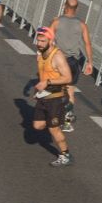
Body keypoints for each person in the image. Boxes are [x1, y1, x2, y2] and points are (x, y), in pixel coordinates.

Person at [28, 27, 74, 166]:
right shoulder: (40, 53)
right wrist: (38, 90)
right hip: (44, 96)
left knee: (54, 129)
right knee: (37, 125)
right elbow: (43, 75)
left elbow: (68, 78)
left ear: (51, 41)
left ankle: (66, 155)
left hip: (56, 98)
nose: (39, 43)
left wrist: (47, 82)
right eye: (38, 40)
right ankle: (62, 117)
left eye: (43, 41)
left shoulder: (57, 56)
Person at [47, 0, 94, 128]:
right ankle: (67, 121)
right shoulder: (82, 24)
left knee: (53, 88)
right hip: (73, 62)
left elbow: (48, 39)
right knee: (70, 91)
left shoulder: (57, 22)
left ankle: (53, 116)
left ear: (64, 6)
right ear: (77, 9)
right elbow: (87, 44)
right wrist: (90, 62)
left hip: (58, 60)